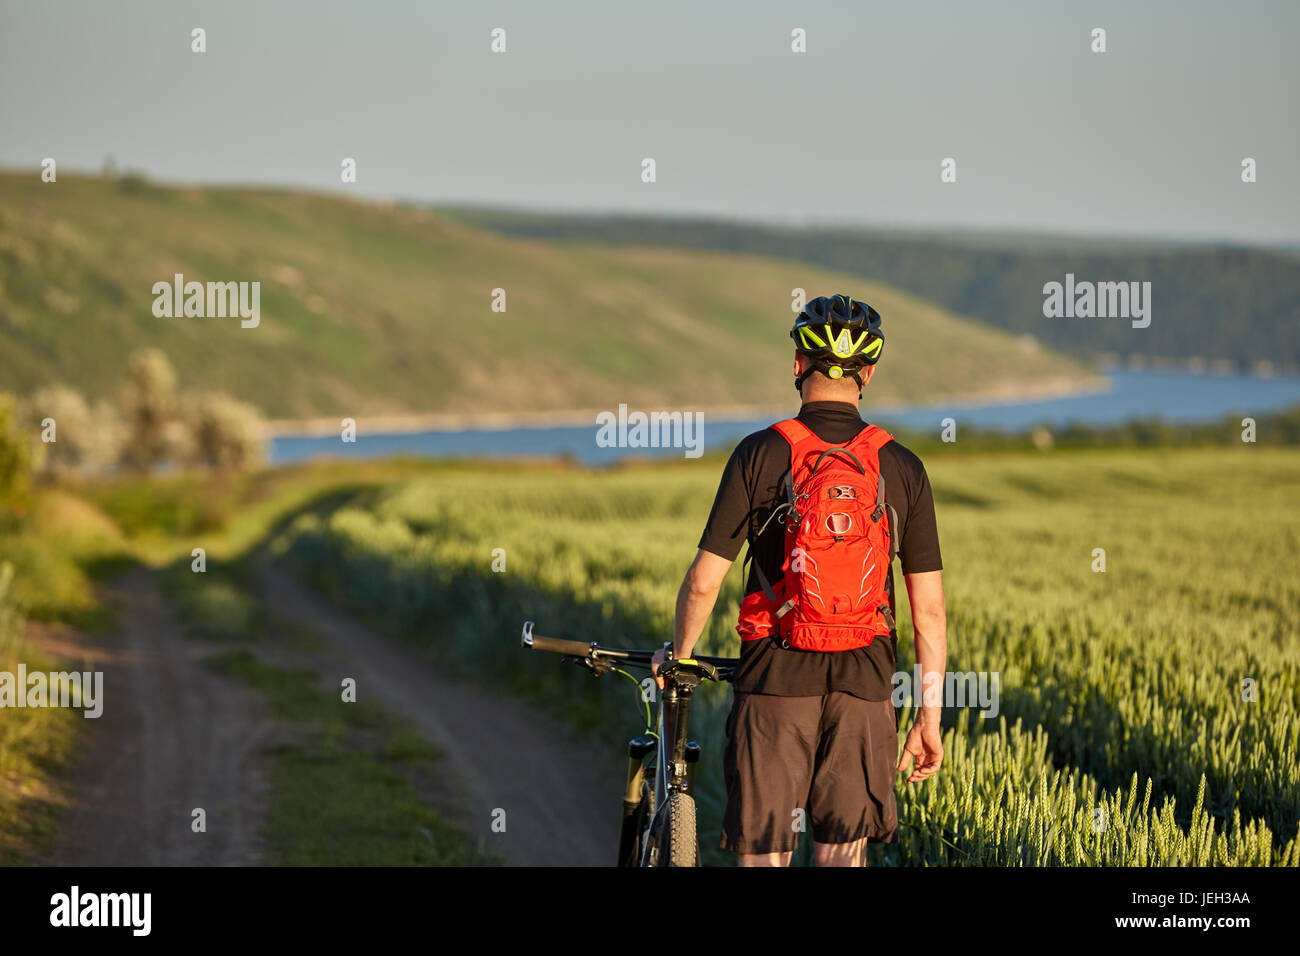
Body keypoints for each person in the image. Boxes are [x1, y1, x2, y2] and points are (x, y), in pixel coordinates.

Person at [652, 294, 947, 867]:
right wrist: (928, 717)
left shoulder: (759, 453)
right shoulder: (903, 466)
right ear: (869, 374)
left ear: (796, 365)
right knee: (841, 857)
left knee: (765, 854)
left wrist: (680, 655)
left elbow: (703, 583)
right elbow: (929, 611)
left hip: (774, 680)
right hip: (864, 685)